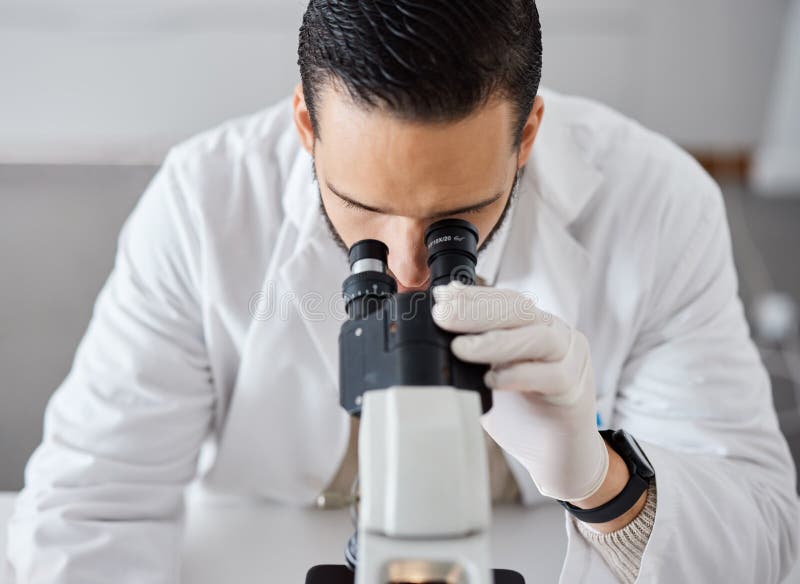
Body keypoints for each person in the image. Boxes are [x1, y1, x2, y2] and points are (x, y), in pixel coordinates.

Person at [7, 1, 799, 582]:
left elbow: (766, 545)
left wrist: (600, 478)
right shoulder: (201, 203)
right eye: (361, 210)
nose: (411, 270)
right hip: (270, 536)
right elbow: (88, 513)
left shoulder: (657, 201)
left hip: (531, 537)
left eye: (456, 217)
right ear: (306, 128)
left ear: (527, 138)